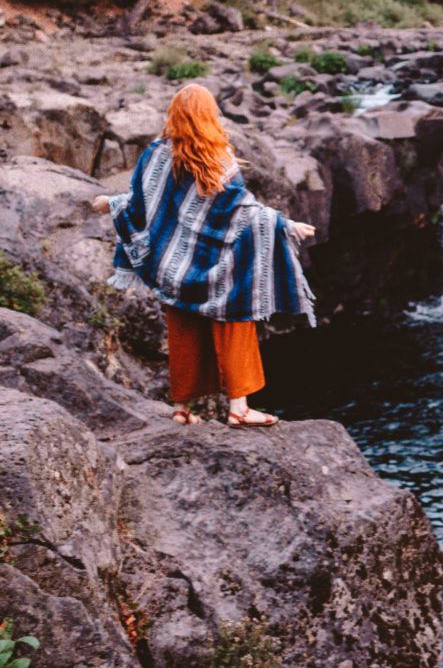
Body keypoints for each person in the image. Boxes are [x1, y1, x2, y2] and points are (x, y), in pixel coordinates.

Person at [93, 83, 316, 429]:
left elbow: (141, 203)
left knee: (182, 331)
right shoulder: (219, 159)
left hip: (173, 267)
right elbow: (241, 211)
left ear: (174, 115)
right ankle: (239, 409)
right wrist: (284, 224)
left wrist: (112, 203)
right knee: (234, 324)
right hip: (217, 268)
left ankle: (181, 408)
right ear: (209, 115)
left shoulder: (155, 154)